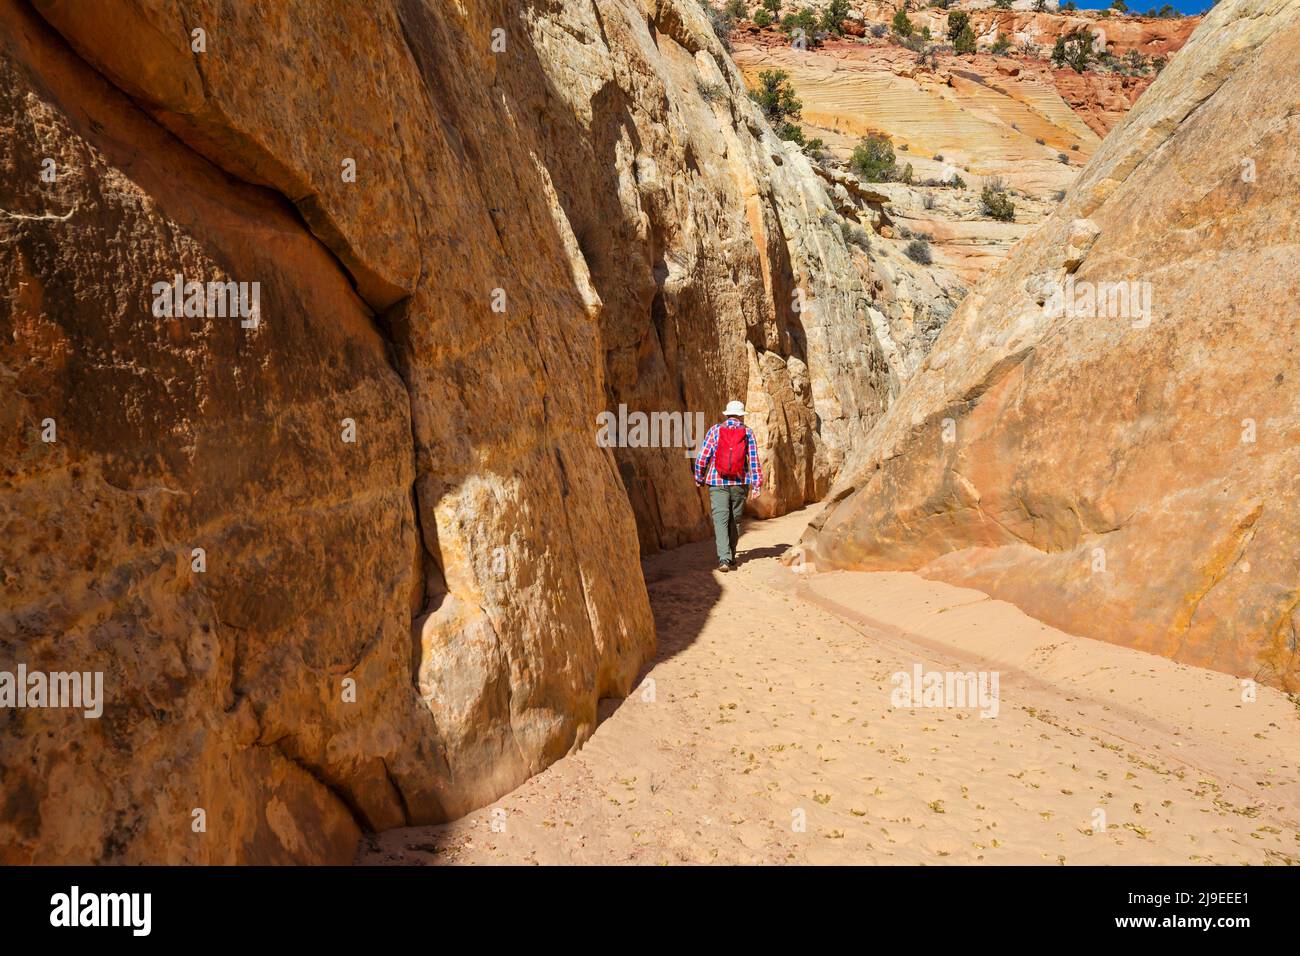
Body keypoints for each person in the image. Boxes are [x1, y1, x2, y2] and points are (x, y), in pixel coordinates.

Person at [693, 400, 762, 572]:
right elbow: (753, 461)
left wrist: (699, 477)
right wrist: (756, 486)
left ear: (727, 414)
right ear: (741, 416)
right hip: (740, 483)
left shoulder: (715, 430)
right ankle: (731, 555)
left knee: (720, 520)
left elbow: (703, 457)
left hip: (717, 482)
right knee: (735, 520)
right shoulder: (747, 432)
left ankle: (724, 559)